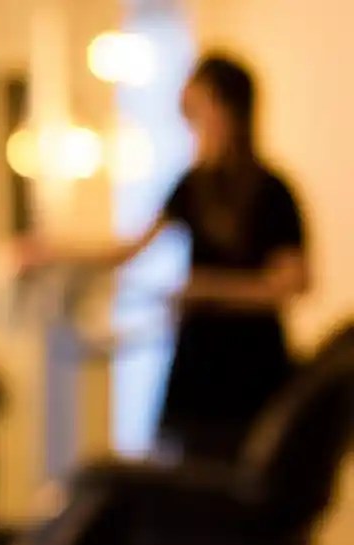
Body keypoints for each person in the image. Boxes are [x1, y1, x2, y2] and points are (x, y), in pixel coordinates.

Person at [21, 52, 309, 461]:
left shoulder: (272, 191)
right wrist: (53, 249)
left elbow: (292, 283)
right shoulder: (193, 185)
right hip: (199, 366)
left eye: (199, 108)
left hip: (252, 368)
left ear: (227, 108)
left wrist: (209, 290)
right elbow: (126, 250)